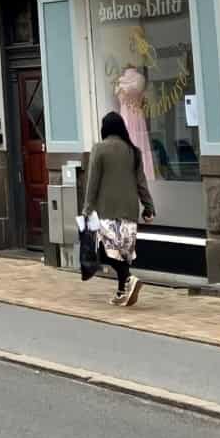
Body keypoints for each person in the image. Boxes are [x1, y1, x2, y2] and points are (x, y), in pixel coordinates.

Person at [83, 111, 154, 308]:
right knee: (123, 252)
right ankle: (123, 291)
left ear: (104, 128)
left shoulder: (100, 149)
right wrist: (149, 207)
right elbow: (142, 183)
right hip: (130, 210)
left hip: (107, 210)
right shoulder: (134, 151)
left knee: (105, 251)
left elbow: (92, 183)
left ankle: (129, 278)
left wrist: (87, 209)